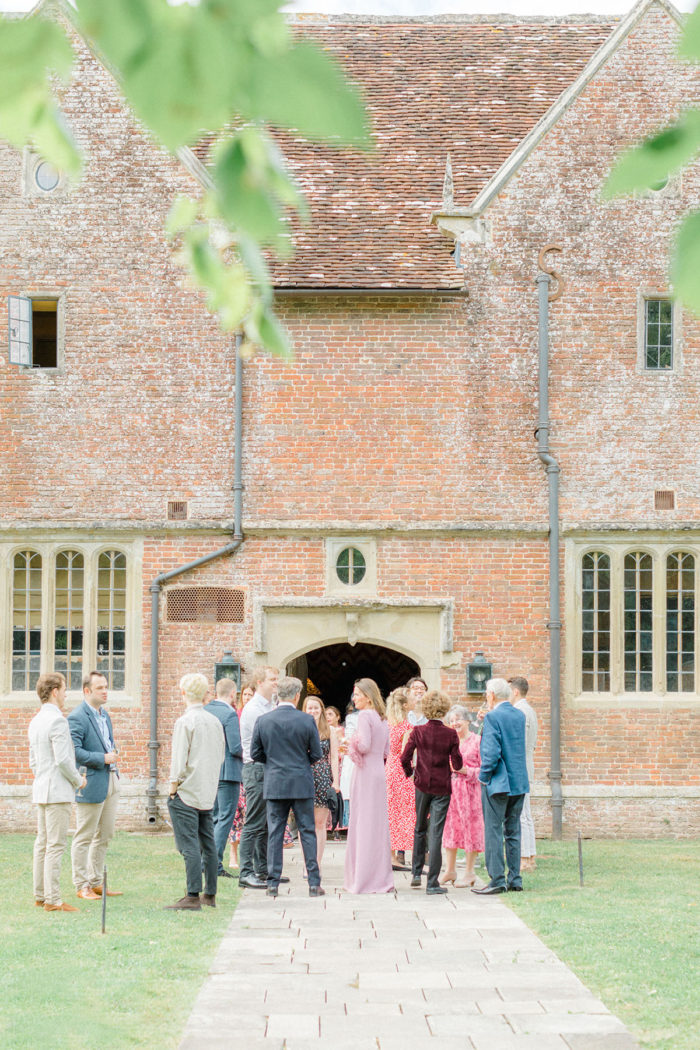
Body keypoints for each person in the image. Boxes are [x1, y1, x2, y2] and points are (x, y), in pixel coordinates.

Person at [251, 676, 325, 897]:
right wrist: (301, 763)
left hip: (275, 782)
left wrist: (273, 763)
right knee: (308, 831)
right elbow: (317, 754)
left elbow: (255, 753)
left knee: (275, 832)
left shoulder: (264, 720)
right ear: (296, 696)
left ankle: (272, 883)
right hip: (301, 780)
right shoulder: (306, 720)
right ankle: (313, 883)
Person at [166, 672, 225, 910]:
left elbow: (179, 760)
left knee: (188, 843)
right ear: (205, 694)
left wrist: (172, 787)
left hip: (187, 790)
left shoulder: (185, 722)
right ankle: (209, 893)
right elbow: (220, 757)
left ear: (183, 694)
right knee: (208, 844)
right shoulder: (215, 721)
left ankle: (192, 894)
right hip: (207, 790)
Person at [28, 672, 85, 913]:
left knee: (42, 843)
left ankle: (40, 894)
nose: (65, 694)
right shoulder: (58, 721)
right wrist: (77, 780)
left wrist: (42, 777)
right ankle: (53, 899)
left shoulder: (36, 720)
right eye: (63, 689)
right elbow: (63, 759)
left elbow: (33, 761)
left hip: (41, 788)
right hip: (58, 791)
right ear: (54, 691)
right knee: (55, 845)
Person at [401, 690, 462, 894]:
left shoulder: (417, 731)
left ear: (425, 709)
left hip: (421, 785)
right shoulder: (451, 733)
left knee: (420, 827)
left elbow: (404, 758)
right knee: (435, 833)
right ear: (444, 709)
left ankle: (416, 873)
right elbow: (457, 762)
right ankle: (433, 882)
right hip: (442, 786)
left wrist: (412, 773)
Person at [68, 670, 122, 900]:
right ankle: (82, 885)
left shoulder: (104, 715)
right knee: (84, 836)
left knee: (105, 834)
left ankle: (96, 881)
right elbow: (74, 752)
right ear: (87, 691)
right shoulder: (77, 716)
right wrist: (102, 758)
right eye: (100, 687)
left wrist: (113, 754)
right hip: (89, 781)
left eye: (106, 686)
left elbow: (107, 742)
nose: (105, 691)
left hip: (111, 780)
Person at [473, 678, 529, 896]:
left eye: (487, 694)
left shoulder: (494, 716)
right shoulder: (519, 714)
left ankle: (497, 879)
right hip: (519, 780)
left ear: (492, 695)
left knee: (494, 831)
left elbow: (491, 753)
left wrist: (484, 777)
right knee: (513, 830)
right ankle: (515, 878)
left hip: (497, 782)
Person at [344, 678, 393, 894]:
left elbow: (362, 745)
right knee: (377, 827)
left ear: (367, 695)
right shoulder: (382, 718)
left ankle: (362, 880)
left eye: (356, 694)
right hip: (379, 773)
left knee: (362, 825)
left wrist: (349, 741)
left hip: (364, 775)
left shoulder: (364, 716)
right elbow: (386, 751)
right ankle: (379, 878)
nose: (354, 699)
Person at [238, 666, 279, 889]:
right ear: (260, 682)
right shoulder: (254, 709)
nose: (276, 683)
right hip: (256, 768)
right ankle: (245, 872)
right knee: (253, 821)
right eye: (272, 679)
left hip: (267, 767)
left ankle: (263, 870)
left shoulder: (269, 706)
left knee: (264, 822)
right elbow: (263, 744)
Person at [440, 705, 484, 887]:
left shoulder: (478, 741)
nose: (454, 723)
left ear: (468, 720)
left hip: (470, 791)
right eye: (451, 720)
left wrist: (466, 770)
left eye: (458, 719)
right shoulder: (448, 741)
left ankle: (469, 872)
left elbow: (486, 770)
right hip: (450, 790)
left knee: (470, 829)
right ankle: (449, 870)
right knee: (450, 829)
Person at [204, 677, 242, 879]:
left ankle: (206, 860)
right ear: (232, 694)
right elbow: (235, 747)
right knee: (225, 817)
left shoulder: (206, 710)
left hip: (209, 771)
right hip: (228, 772)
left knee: (213, 816)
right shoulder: (229, 714)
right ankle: (214, 863)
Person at [302, 695, 339, 871]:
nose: (313, 711)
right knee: (305, 823)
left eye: (316, 708)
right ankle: (307, 862)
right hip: (303, 776)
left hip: (323, 776)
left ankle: (317, 862)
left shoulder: (330, 730)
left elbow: (333, 758)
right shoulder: (300, 727)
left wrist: (336, 782)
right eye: (310, 708)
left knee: (320, 823)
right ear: (305, 709)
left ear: (322, 710)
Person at [509, 676, 538, 872]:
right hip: (526, 765)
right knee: (523, 813)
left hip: (521, 768)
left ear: (515, 691)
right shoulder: (528, 710)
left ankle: (526, 857)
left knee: (522, 814)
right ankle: (527, 855)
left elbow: (518, 743)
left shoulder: (521, 712)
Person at [384, 687, 415, 870]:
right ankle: (395, 857)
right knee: (402, 812)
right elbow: (406, 754)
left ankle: (391, 855)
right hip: (402, 771)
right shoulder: (407, 727)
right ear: (405, 705)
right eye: (412, 699)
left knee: (391, 811)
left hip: (389, 768)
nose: (415, 701)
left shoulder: (389, 723)